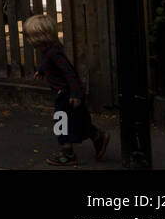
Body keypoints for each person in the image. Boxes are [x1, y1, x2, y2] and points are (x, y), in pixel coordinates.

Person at [25, 13, 110, 165]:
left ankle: (68, 154)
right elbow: (48, 63)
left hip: (66, 95)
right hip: (68, 94)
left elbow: (70, 74)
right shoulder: (51, 51)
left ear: (40, 37)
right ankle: (98, 136)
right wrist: (42, 70)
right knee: (78, 120)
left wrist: (76, 94)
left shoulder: (54, 54)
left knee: (61, 122)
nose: (28, 40)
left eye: (30, 36)